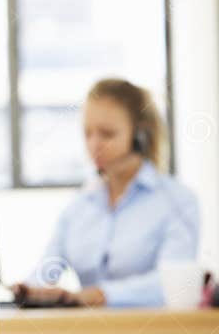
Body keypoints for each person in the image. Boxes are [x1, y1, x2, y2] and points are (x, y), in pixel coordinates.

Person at [13, 78, 200, 307]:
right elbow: (49, 267)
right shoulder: (80, 205)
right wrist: (28, 290)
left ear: (140, 136)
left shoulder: (178, 201)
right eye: (87, 133)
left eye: (107, 134)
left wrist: (100, 295)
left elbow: (172, 284)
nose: (94, 144)